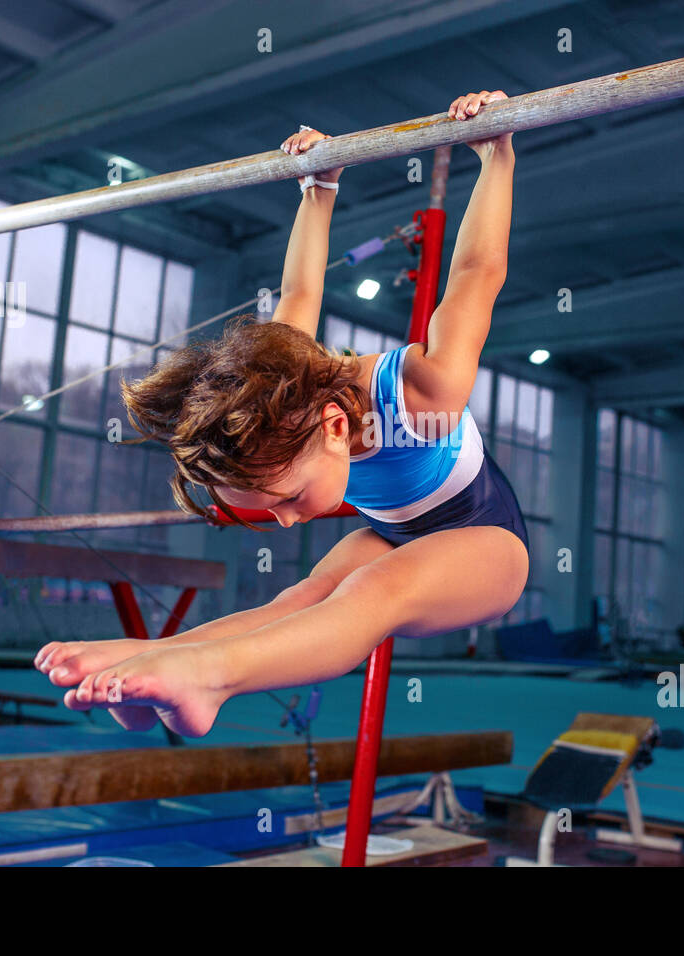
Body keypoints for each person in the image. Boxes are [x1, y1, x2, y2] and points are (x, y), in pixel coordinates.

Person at [33, 91, 528, 737]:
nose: (288, 521)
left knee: (369, 594)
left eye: (289, 497)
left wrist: (496, 153)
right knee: (299, 600)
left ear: (334, 425)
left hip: (486, 545)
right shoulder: (287, 375)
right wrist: (317, 187)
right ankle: (153, 659)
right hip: (395, 537)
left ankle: (210, 677)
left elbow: (476, 273)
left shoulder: (423, 395)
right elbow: (299, 290)